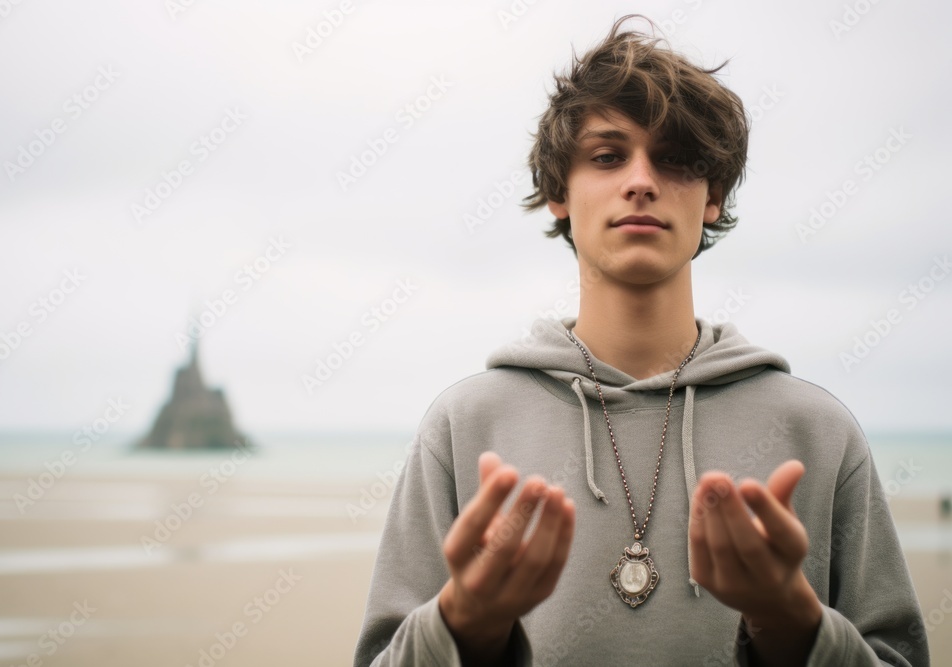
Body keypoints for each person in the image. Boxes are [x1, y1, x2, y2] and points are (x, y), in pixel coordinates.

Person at [354, 14, 929, 666]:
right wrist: (466, 622)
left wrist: (791, 623)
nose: (641, 179)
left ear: (712, 196)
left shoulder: (818, 432)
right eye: (607, 156)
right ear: (557, 192)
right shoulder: (464, 425)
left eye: (675, 158)